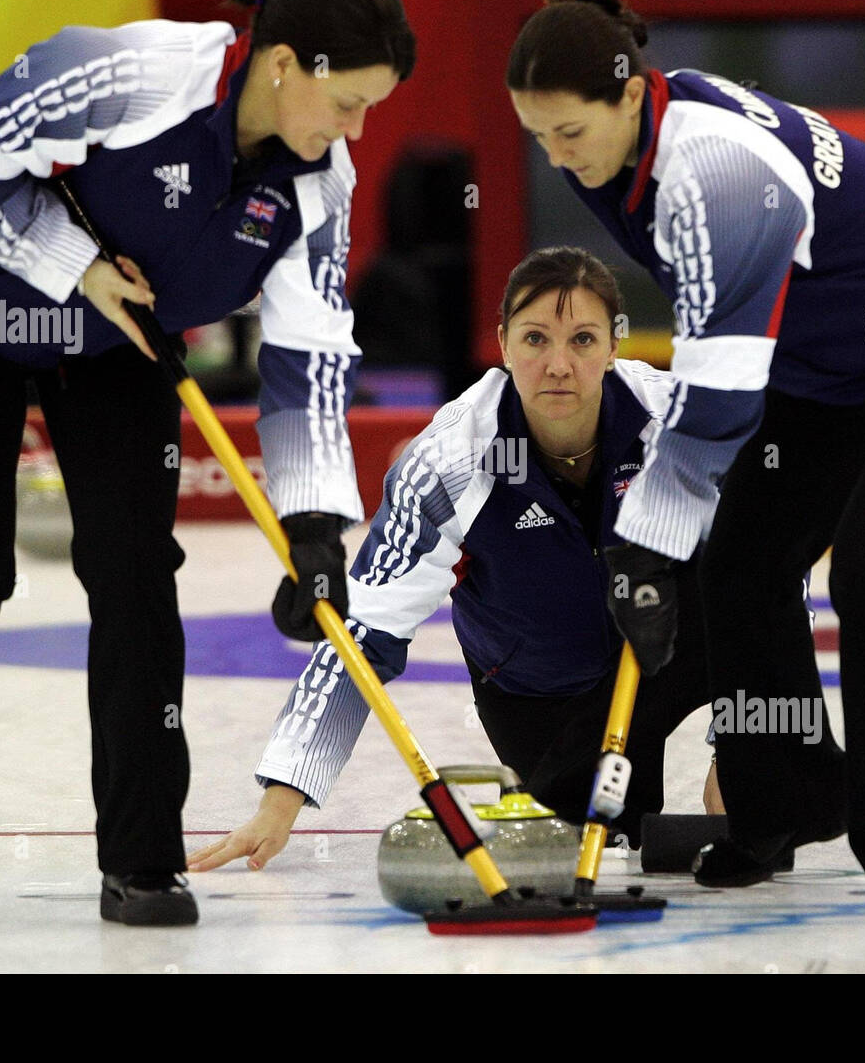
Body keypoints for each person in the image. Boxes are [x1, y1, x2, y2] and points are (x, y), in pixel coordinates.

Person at [0, 0, 415, 926]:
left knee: (137, 570)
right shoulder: (136, 72)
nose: (354, 132)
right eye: (347, 102)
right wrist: (75, 263)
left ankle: (142, 857)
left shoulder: (319, 181)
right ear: (281, 64)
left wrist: (313, 524)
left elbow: (311, 354)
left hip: (117, 342)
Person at [506, 0, 865, 911]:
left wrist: (643, 544)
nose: (557, 158)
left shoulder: (715, 168)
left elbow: (721, 388)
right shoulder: (621, 146)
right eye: (538, 135)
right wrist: (666, 543)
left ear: (631, 95)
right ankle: (782, 806)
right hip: (831, 368)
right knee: (742, 564)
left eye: (569, 133)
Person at [187, 247, 714, 875]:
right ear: (502, 342)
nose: (559, 365)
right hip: (540, 687)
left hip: (669, 653)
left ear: (613, 345)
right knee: (588, 842)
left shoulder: (680, 428)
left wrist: (734, 748)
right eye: (536, 338)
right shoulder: (450, 460)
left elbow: (771, 574)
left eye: (582, 340)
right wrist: (281, 797)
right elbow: (365, 630)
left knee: (738, 604)